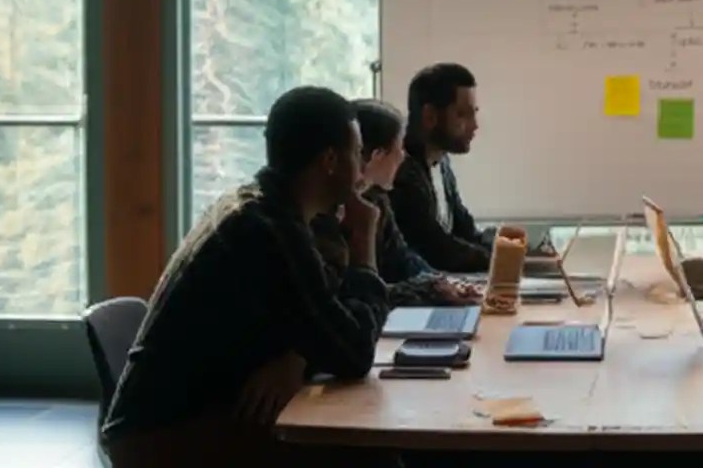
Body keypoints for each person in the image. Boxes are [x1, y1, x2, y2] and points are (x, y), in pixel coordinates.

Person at [102, 87, 391, 467]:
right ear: (331, 161)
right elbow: (354, 352)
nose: (361, 171)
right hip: (162, 439)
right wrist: (365, 248)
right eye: (357, 154)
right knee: (369, 452)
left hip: (185, 417)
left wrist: (299, 353)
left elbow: (320, 311)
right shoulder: (270, 232)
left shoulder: (257, 207)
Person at [313, 99, 482, 307]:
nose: (403, 157)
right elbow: (354, 295)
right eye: (399, 149)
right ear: (377, 156)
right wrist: (431, 290)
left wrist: (442, 282)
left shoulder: (378, 200)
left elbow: (403, 259)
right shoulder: (324, 217)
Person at [392, 63, 492, 273]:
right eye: (462, 114)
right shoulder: (401, 171)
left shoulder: (442, 162)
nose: (474, 125)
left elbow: (464, 230)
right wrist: (502, 260)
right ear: (430, 116)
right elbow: (437, 248)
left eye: (474, 113)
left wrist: (516, 250)